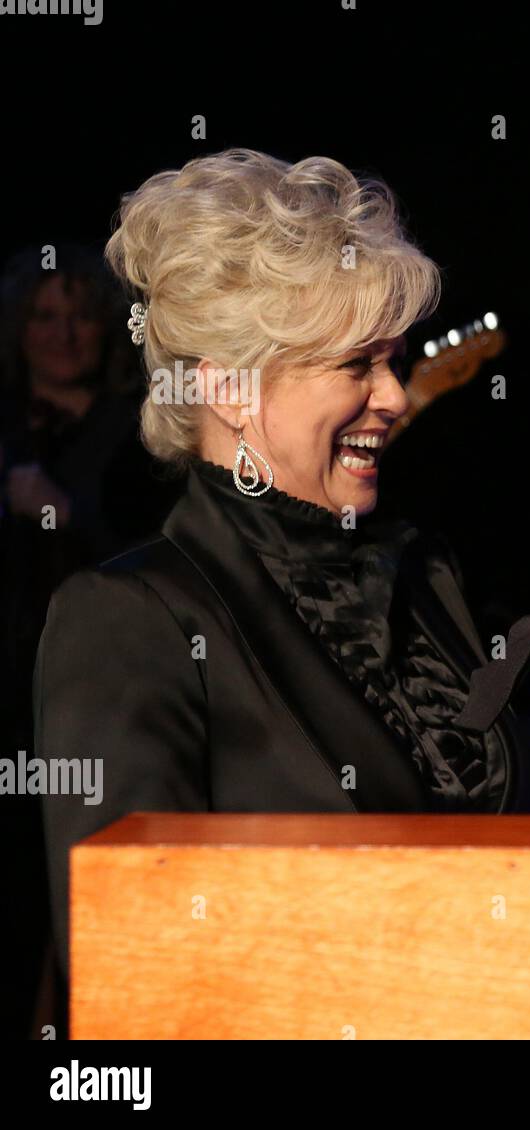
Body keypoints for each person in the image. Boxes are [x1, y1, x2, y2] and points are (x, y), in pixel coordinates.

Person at [36, 150, 523, 992]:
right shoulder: (131, 620)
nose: (396, 396)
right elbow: (136, 956)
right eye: (355, 365)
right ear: (230, 390)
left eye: (393, 360)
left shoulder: (422, 576)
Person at [0, 245, 176, 1037]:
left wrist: (66, 514)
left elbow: (160, 556)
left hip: (94, 694)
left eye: (79, 315)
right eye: (45, 315)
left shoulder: (136, 430)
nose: (64, 333)